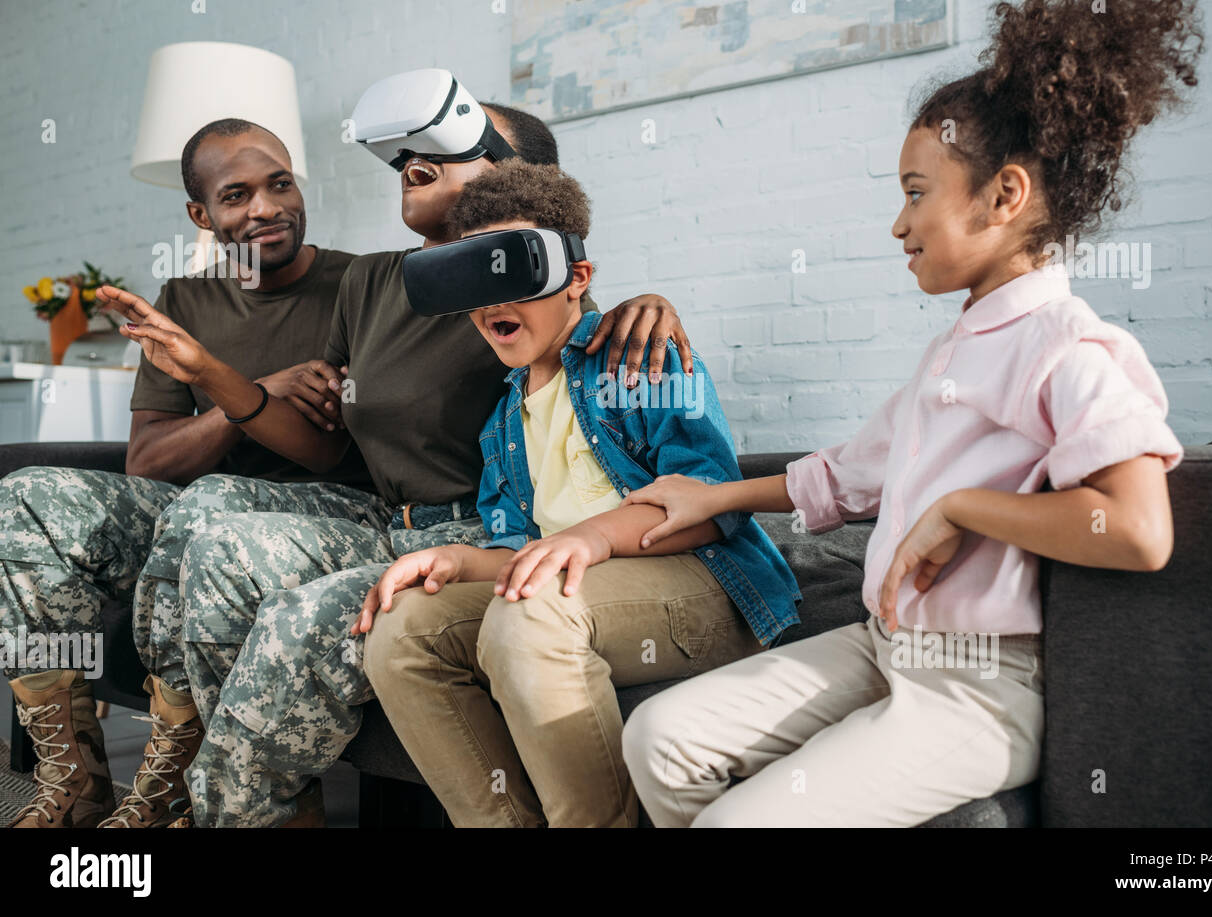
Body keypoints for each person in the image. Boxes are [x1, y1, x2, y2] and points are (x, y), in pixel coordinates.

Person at [619, 0, 1202, 826]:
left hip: (977, 685)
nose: (898, 225)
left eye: (916, 194)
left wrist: (968, 508)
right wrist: (713, 495)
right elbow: (847, 474)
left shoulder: (1068, 346)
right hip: (882, 645)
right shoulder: (953, 350)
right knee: (657, 736)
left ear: (1005, 195)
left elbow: (1140, 528)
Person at [102, 100, 698, 826]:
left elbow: (580, 336)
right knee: (213, 533)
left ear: (517, 183)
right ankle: (224, 784)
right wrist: (211, 371)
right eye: (416, 149)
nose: (417, 157)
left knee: (300, 619)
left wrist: (646, 303)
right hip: (388, 520)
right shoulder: (373, 281)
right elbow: (324, 442)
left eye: (454, 147)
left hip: (479, 536)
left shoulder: (528, 289)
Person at [358, 158, 801, 826]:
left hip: (704, 584)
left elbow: (712, 504)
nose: (494, 301)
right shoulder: (503, 420)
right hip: (573, 593)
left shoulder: (640, 355)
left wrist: (590, 538)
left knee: (532, 613)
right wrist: (453, 560)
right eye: (478, 278)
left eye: (516, 272)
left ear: (577, 280)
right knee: (401, 631)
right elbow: (522, 552)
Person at [0, 118, 373, 828]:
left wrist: (226, 387)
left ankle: (172, 778)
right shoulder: (186, 302)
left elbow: (327, 450)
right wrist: (248, 391)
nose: (266, 207)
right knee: (27, 496)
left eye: (280, 184)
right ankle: (73, 778)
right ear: (201, 216)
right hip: (194, 515)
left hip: (329, 516)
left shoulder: (361, 283)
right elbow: (147, 460)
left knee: (210, 500)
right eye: (237, 195)